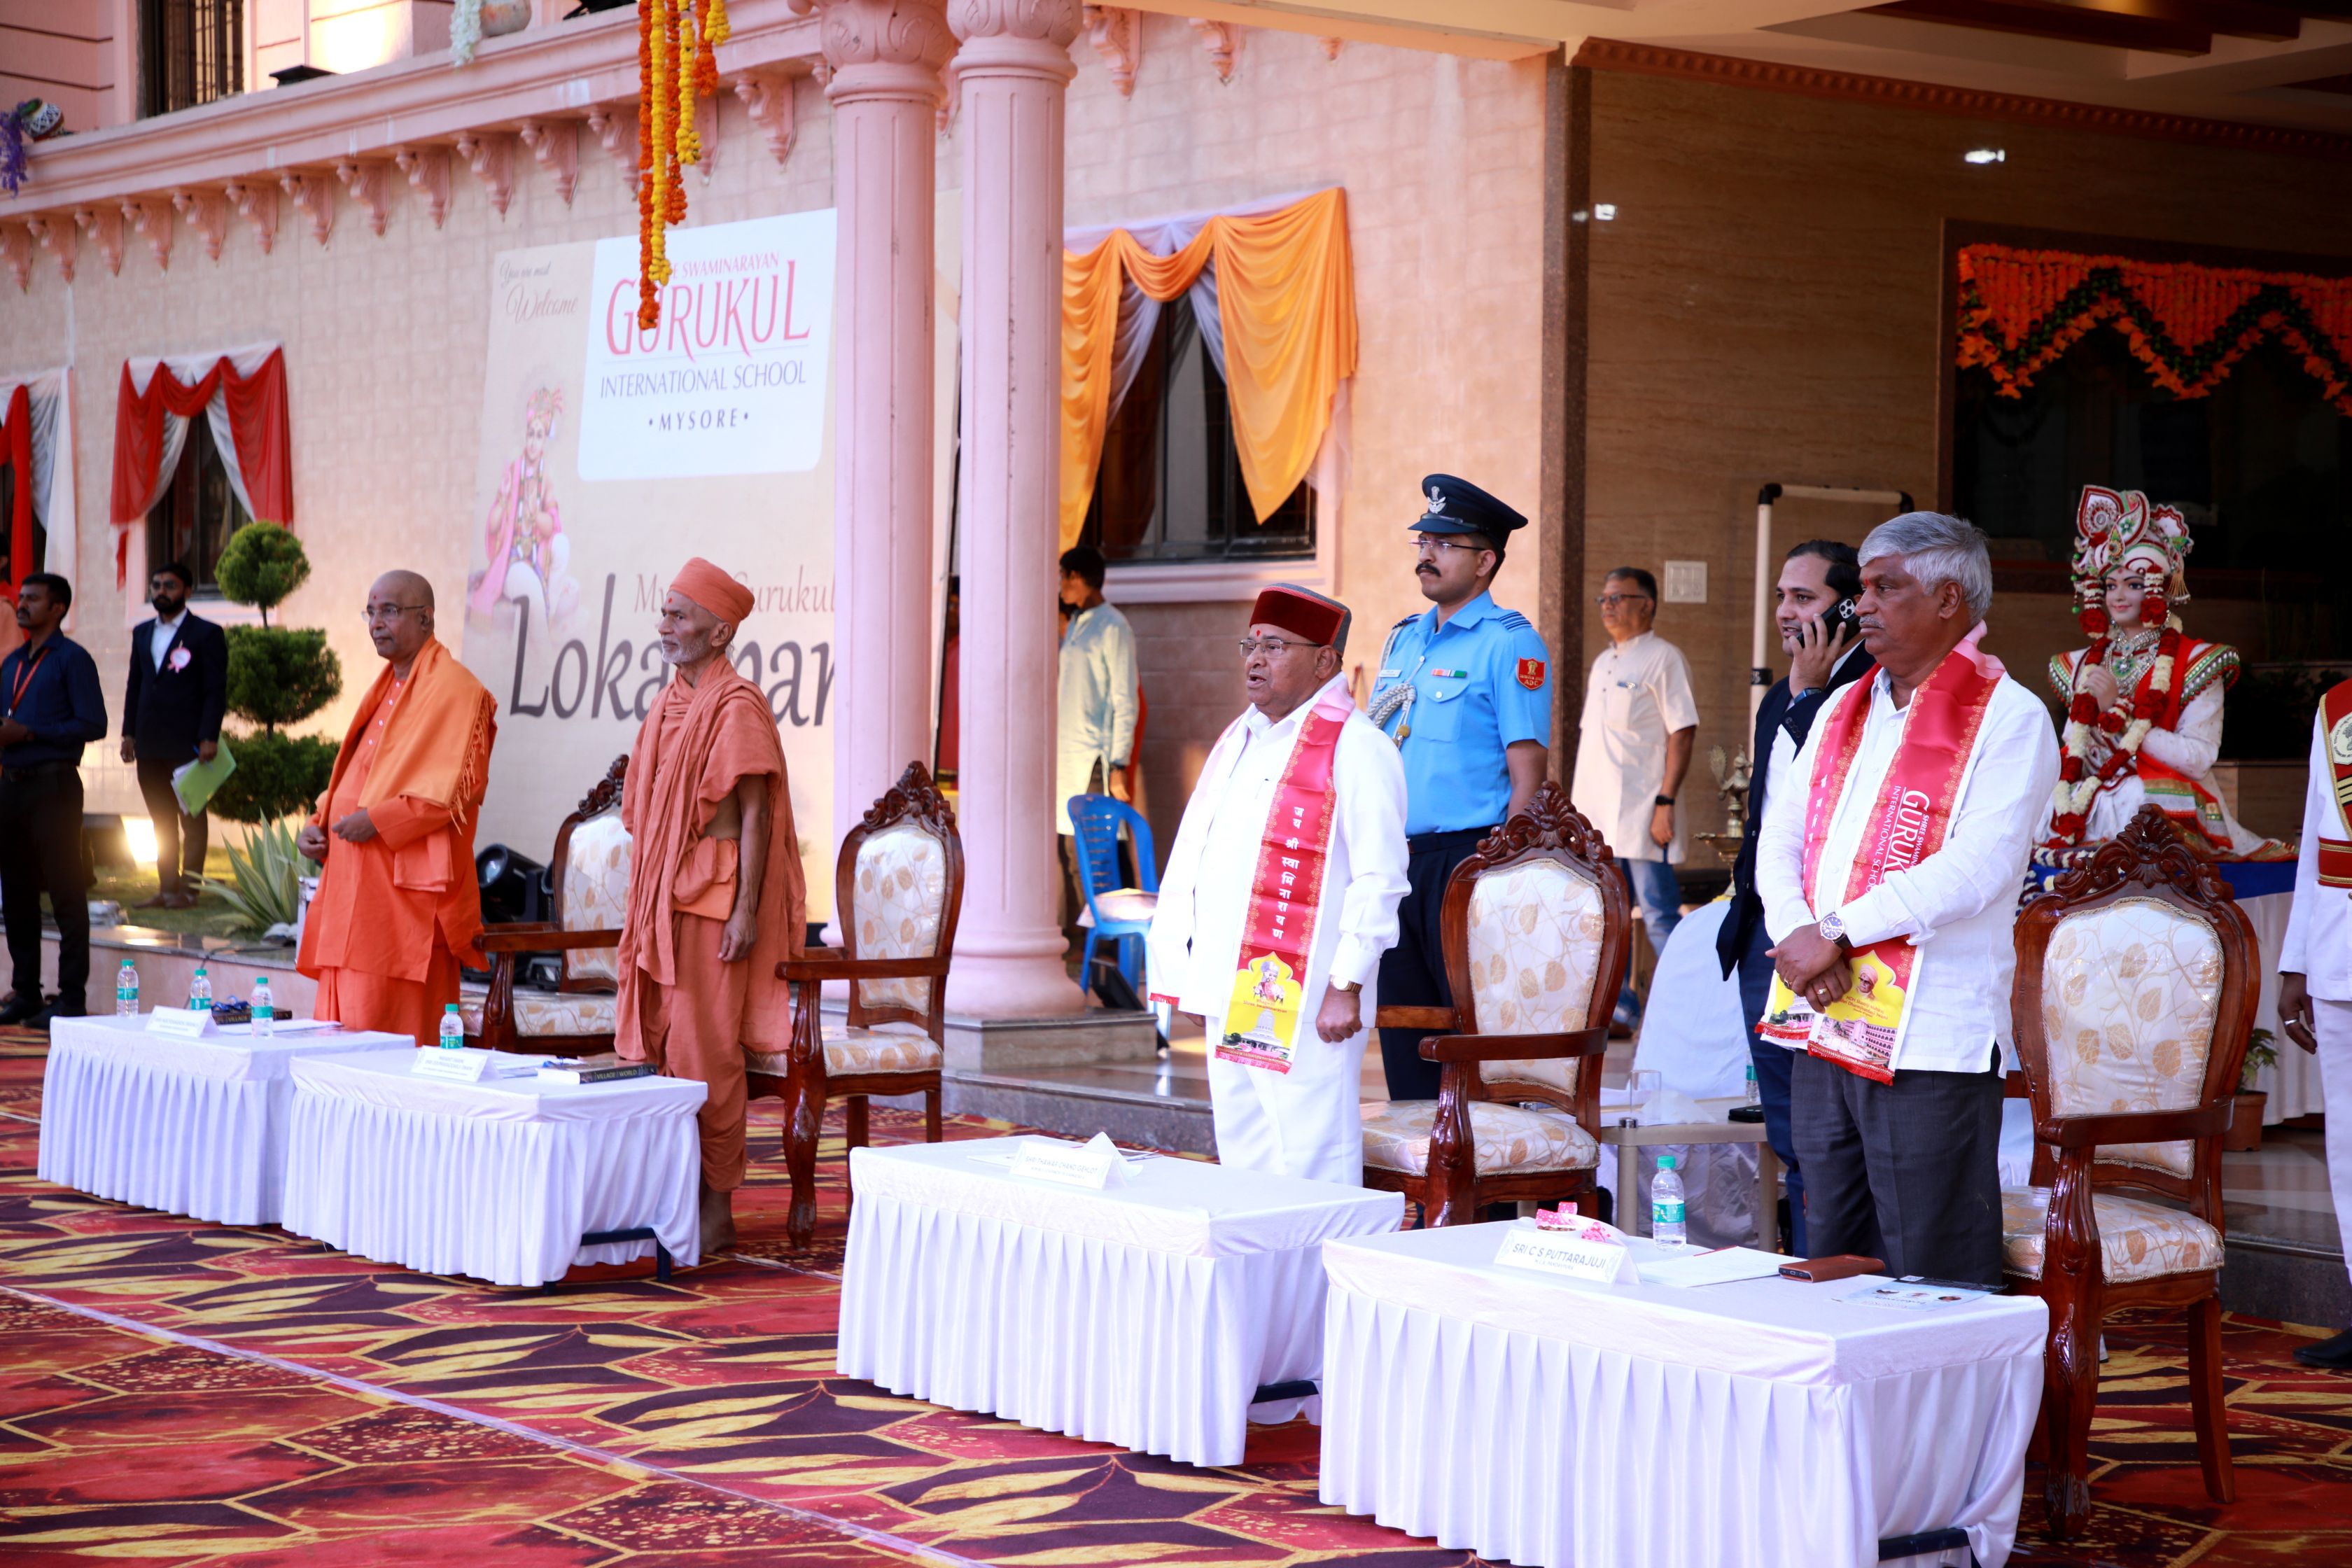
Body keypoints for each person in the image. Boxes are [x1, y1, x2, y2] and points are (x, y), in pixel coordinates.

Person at [1756, 512, 2058, 1285]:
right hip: (1826, 1019)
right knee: (1834, 1253)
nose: (1863, 605)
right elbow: (1779, 838)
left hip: (1930, 1039)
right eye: (1863, 588)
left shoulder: (2009, 717)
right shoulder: (1840, 706)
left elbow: (1977, 870)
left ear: (1950, 598)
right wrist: (1800, 936)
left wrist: (1834, 930)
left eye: (1887, 588)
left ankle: (1948, 1412)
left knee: (1931, 1266)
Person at [1147, 584, 1408, 1184]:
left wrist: (1347, 982)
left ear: (1325, 661)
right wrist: (1189, 970)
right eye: (1251, 645)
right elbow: (1196, 853)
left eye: (1275, 647)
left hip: (1311, 993)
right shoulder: (1239, 739)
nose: (1255, 660)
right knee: (1245, 1154)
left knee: (1310, 1154)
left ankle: (1319, 1275)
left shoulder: (1358, 747)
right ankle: (1264, 1277)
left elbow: (1381, 877)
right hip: (1226, 986)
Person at [615, 558, 805, 1252]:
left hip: (717, 896)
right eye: (663, 611)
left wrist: (748, 910)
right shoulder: (667, 703)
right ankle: (670, 1194)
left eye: (679, 615)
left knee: (705, 1052)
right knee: (661, 1044)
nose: (664, 625)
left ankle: (717, 1201)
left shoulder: (737, 704)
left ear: (719, 631)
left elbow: (759, 814)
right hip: (662, 896)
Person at [1714, 540, 1875, 1254]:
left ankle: (1839, 1264)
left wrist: (1811, 694)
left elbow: (1832, 798)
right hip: (1765, 932)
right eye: (1782, 595)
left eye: (1803, 598)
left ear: (1847, 607)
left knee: (1832, 1129)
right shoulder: (1783, 689)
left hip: (1835, 937)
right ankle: (1808, 1261)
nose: (1785, 611)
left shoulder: (1871, 687)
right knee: (1785, 1120)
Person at [1367, 475, 1550, 1100]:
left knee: (1471, 1040)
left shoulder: (1509, 642)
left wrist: (1503, 877)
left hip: (1466, 864)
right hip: (1398, 861)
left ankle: (1489, 1194)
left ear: (1485, 560)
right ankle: (1425, 1187)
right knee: (1404, 1034)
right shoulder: (1404, 638)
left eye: (1445, 542)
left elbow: (1528, 774)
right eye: (1424, 539)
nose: (1428, 552)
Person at [296, 572, 498, 1045]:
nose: (376, 623)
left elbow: (456, 792)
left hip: (402, 896)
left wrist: (378, 821)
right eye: (371, 611)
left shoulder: (457, 690)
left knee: (390, 1036)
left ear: (426, 617)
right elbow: (359, 776)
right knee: (338, 1035)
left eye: (389, 610)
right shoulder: (386, 686)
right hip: (351, 882)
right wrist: (320, 820)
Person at [2043, 485, 2278, 862]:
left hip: (2158, 793)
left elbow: (2198, 759)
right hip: (2097, 791)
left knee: (2136, 795)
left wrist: (2116, 712)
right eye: (2111, 584)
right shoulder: (2084, 661)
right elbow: (2075, 748)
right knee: (2045, 793)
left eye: (2134, 584)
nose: (2118, 596)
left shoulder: (2197, 661)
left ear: (2159, 588)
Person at [1570, 565, 1698, 1030]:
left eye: (1618, 598)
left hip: (1644, 813)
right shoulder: (1605, 663)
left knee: (1659, 913)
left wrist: (1665, 803)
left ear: (1645, 604)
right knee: (1610, 916)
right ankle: (1621, 1007)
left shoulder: (1664, 658)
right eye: (1604, 598)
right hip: (1599, 819)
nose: (1608, 606)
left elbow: (1682, 732)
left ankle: (1691, 1008)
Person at [0, 574, 108, 1028]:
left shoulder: (72, 660)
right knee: (18, 894)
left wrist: (32, 733)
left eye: (33, 599)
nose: (22, 605)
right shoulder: (12, 664)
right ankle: (26, 992)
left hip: (54, 786)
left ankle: (71, 997)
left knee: (65, 892)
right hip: (11, 786)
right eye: (21, 597)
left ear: (58, 608)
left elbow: (93, 723)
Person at [120, 561, 229, 910]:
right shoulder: (141, 633)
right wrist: (128, 733)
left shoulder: (206, 633)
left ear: (188, 591)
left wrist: (209, 735)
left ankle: (190, 890)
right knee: (161, 820)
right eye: (155, 585)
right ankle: (167, 888)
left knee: (191, 819)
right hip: (150, 743)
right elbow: (135, 686)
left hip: (189, 744)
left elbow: (215, 690)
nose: (161, 592)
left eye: (169, 585)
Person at [1056, 545, 1139, 926]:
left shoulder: (1114, 625)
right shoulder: (1077, 623)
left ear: (1078, 578)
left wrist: (1118, 762)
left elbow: (1125, 698)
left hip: (1094, 758)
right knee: (1074, 853)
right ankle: (1094, 938)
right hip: (1067, 756)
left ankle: (1111, 942)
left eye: (1064, 577)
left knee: (1094, 852)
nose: (1060, 586)